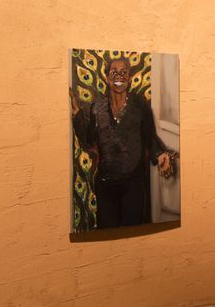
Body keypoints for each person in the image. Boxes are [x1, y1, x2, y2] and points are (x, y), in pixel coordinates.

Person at [71, 55, 176, 228]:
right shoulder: (97, 107)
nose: (119, 77)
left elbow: (149, 136)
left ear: (130, 78)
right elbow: (89, 141)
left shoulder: (140, 105)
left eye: (123, 73)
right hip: (105, 185)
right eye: (114, 73)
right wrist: (76, 115)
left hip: (133, 185)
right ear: (106, 77)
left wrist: (160, 154)